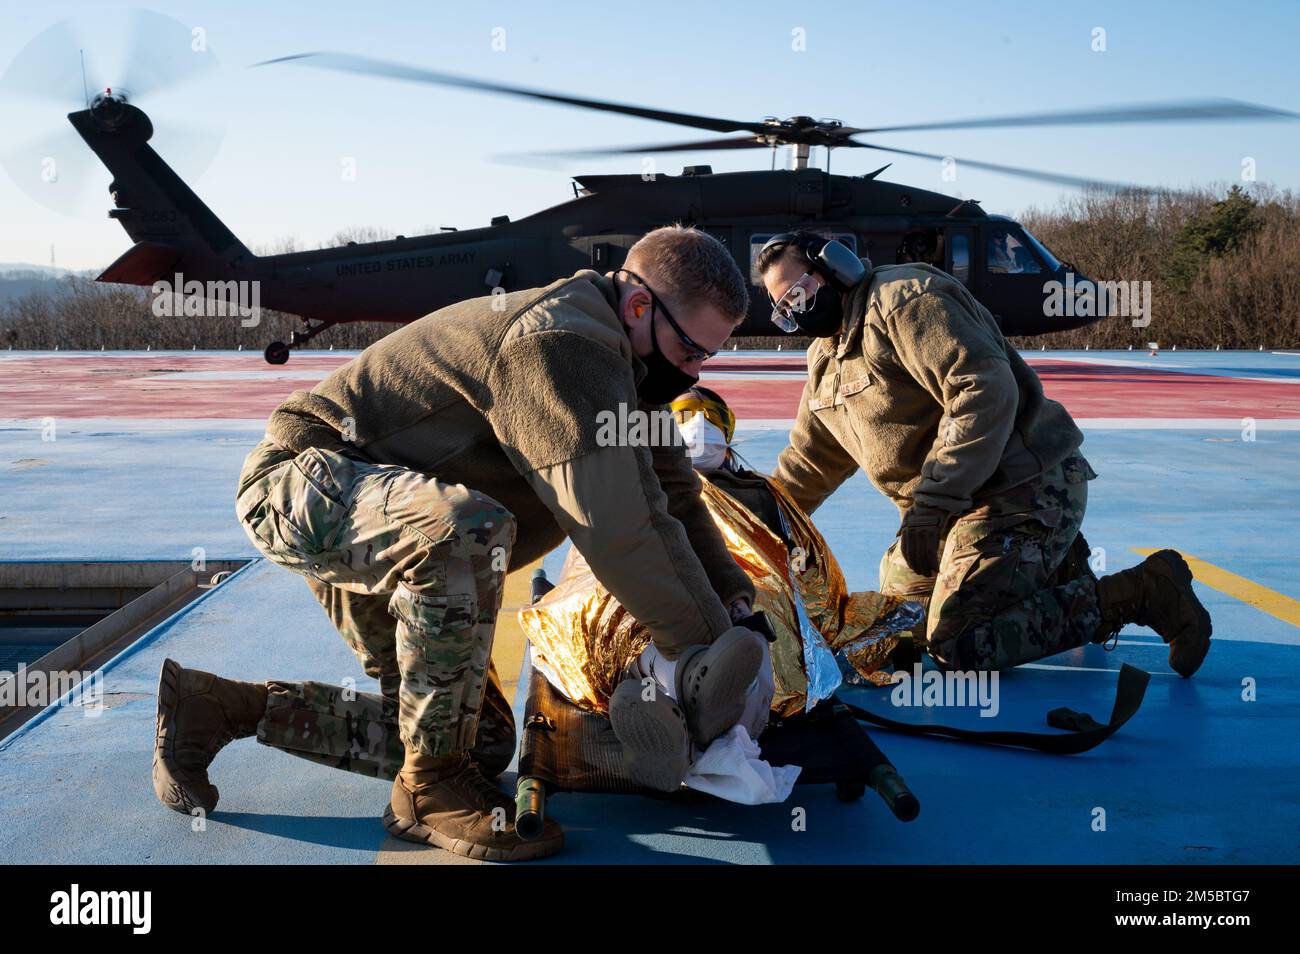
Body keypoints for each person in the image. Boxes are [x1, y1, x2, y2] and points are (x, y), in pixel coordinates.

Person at [151, 226, 770, 862]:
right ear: (640, 307)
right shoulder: (561, 344)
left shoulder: (630, 375)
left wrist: (732, 611)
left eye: (708, 359)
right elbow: (615, 524)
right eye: (692, 350)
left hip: (392, 527)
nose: (696, 372)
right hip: (304, 485)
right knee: (468, 534)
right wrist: (694, 650)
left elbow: (672, 501)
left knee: (475, 742)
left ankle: (216, 709)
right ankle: (428, 795)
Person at [753, 230, 1212, 678]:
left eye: (801, 291)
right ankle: (1050, 573)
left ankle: (1144, 591)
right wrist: (752, 524)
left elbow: (982, 391)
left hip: (1020, 487)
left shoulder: (905, 301)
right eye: (786, 308)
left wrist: (933, 502)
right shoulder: (826, 358)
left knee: (957, 641)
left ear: (835, 266)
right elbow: (810, 461)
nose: (799, 309)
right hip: (950, 509)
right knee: (898, 629)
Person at [519, 385, 920, 793]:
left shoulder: (763, 493)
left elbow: (808, 571)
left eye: (711, 417)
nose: (698, 425)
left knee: (745, 609)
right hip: (647, 571)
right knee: (616, 599)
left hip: (740, 580)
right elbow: (591, 556)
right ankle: (709, 717)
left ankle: (669, 715)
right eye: (686, 414)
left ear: (727, 434)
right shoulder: (633, 479)